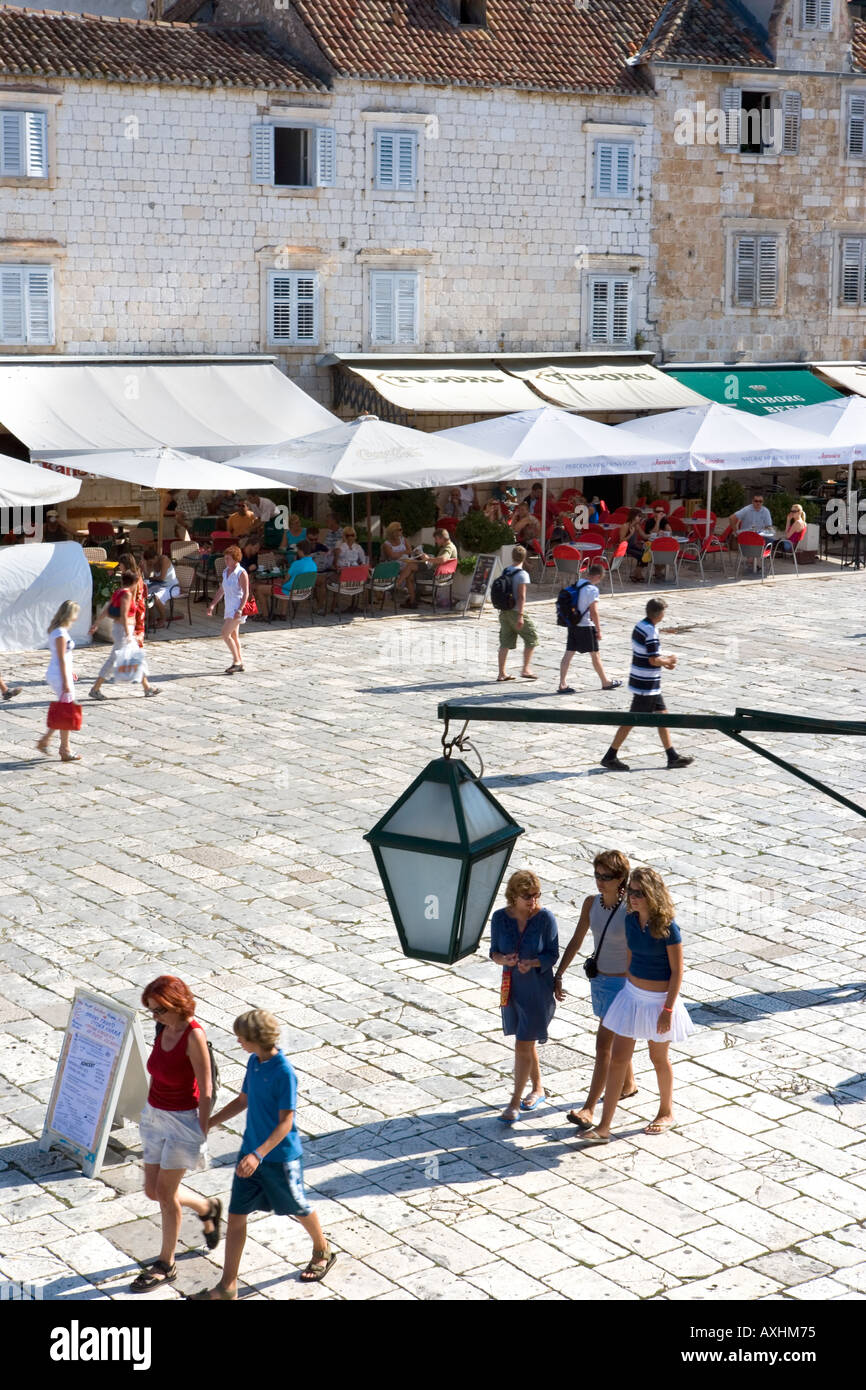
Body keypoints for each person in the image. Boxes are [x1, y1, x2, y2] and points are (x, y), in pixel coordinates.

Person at [189, 1008, 335, 1298]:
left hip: (279, 1158)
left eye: (242, 1038)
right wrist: (210, 1123)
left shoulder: (283, 1073)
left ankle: (322, 1249)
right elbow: (244, 1099)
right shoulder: (254, 1063)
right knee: (236, 1215)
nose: (239, 1043)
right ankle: (227, 1286)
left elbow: (286, 1123)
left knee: (298, 1206)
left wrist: (259, 1154)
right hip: (250, 1154)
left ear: (256, 1038)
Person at [582, 866, 695, 1143]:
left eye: (640, 893)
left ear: (653, 895)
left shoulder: (668, 928)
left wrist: (668, 1010)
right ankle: (604, 1126)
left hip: (658, 1002)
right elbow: (631, 955)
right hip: (632, 997)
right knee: (618, 1058)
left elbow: (677, 971)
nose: (633, 898)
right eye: (631, 892)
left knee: (658, 1058)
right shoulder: (631, 921)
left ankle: (666, 1111)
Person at [131, 975, 220, 1291]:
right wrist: (148, 1112)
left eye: (159, 1010)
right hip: (154, 1117)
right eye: (151, 1011)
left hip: (183, 1122)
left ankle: (165, 1264)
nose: (154, 1017)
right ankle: (206, 1207)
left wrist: (203, 1129)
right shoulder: (162, 1028)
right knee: (153, 1191)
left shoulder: (193, 1036)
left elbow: (206, 1088)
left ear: (177, 1005)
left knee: (166, 1196)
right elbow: (157, 1073)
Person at [554, 850, 637, 1131]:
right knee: (615, 1040)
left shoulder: (630, 909)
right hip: (599, 981)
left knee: (603, 1045)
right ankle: (628, 1084)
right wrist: (560, 972)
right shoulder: (591, 904)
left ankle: (589, 1109)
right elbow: (577, 940)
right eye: (597, 875)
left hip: (622, 985)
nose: (600, 881)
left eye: (607, 877)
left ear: (621, 878)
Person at [489, 870, 559, 1125]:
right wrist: (504, 960)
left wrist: (534, 962)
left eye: (536, 895)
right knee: (525, 1040)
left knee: (522, 1043)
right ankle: (538, 1087)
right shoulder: (499, 918)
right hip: (512, 986)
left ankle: (514, 1101)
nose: (532, 901)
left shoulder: (545, 918)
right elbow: (493, 952)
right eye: (526, 896)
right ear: (513, 896)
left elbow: (552, 954)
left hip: (537, 989)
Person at [600, 598, 692, 770]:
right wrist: (669, 660)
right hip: (646, 684)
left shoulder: (640, 625)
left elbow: (649, 654)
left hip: (645, 681)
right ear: (660, 614)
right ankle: (610, 756)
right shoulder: (651, 631)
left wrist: (664, 662)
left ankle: (672, 756)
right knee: (631, 720)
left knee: (663, 716)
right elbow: (653, 660)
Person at [89, 570, 160, 700]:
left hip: (120, 629)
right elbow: (124, 615)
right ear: (133, 582)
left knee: (137, 658)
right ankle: (95, 688)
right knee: (114, 660)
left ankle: (147, 687)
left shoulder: (118, 592)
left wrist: (97, 622)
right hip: (124, 631)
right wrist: (129, 634)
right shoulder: (127, 594)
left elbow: (108, 609)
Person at [557, 563, 622, 694]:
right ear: (597, 576)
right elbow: (594, 612)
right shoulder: (592, 590)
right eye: (600, 579)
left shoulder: (578, 584)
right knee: (595, 655)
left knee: (568, 654)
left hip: (573, 625)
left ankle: (562, 684)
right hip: (586, 626)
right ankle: (605, 682)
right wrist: (598, 629)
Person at [36, 601, 80, 762]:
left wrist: (71, 672)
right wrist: (66, 681)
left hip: (60, 673)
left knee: (66, 710)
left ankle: (56, 744)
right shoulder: (60, 633)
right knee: (66, 711)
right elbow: (61, 658)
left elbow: (64, 657)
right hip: (60, 675)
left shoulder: (57, 631)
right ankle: (60, 747)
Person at [497, 544, 538, 681]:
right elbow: (521, 597)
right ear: (524, 558)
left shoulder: (506, 570)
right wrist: (520, 616)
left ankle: (501, 673)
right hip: (515, 611)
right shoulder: (522, 575)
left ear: (512, 556)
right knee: (531, 637)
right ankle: (526, 669)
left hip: (504, 611)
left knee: (504, 643)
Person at [207, 544, 249, 674]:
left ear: (236, 559)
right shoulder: (226, 571)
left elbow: (246, 593)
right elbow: (222, 589)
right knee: (234, 636)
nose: (226, 561)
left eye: (228, 559)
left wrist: (240, 609)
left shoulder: (241, 573)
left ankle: (236, 661)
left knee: (225, 634)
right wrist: (213, 604)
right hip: (229, 606)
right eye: (225, 558)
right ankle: (240, 662)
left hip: (237, 607)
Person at [382, 521, 418, 606]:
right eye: (398, 530)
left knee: (410, 574)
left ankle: (398, 584)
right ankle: (412, 600)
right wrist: (403, 552)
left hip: (405, 563)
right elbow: (392, 556)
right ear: (392, 532)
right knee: (410, 575)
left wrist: (400, 553)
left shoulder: (403, 539)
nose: (400, 532)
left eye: (401, 530)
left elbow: (410, 551)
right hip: (394, 565)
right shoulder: (386, 544)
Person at [143, 546, 181, 627]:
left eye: (151, 561)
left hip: (172, 587)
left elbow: (161, 578)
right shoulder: (151, 562)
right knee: (146, 593)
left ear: (156, 557)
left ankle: (163, 619)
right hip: (161, 586)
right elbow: (147, 576)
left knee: (155, 597)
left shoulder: (164, 560)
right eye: (149, 562)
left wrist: (150, 578)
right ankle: (152, 618)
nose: (151, 563)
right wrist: (144, 567)